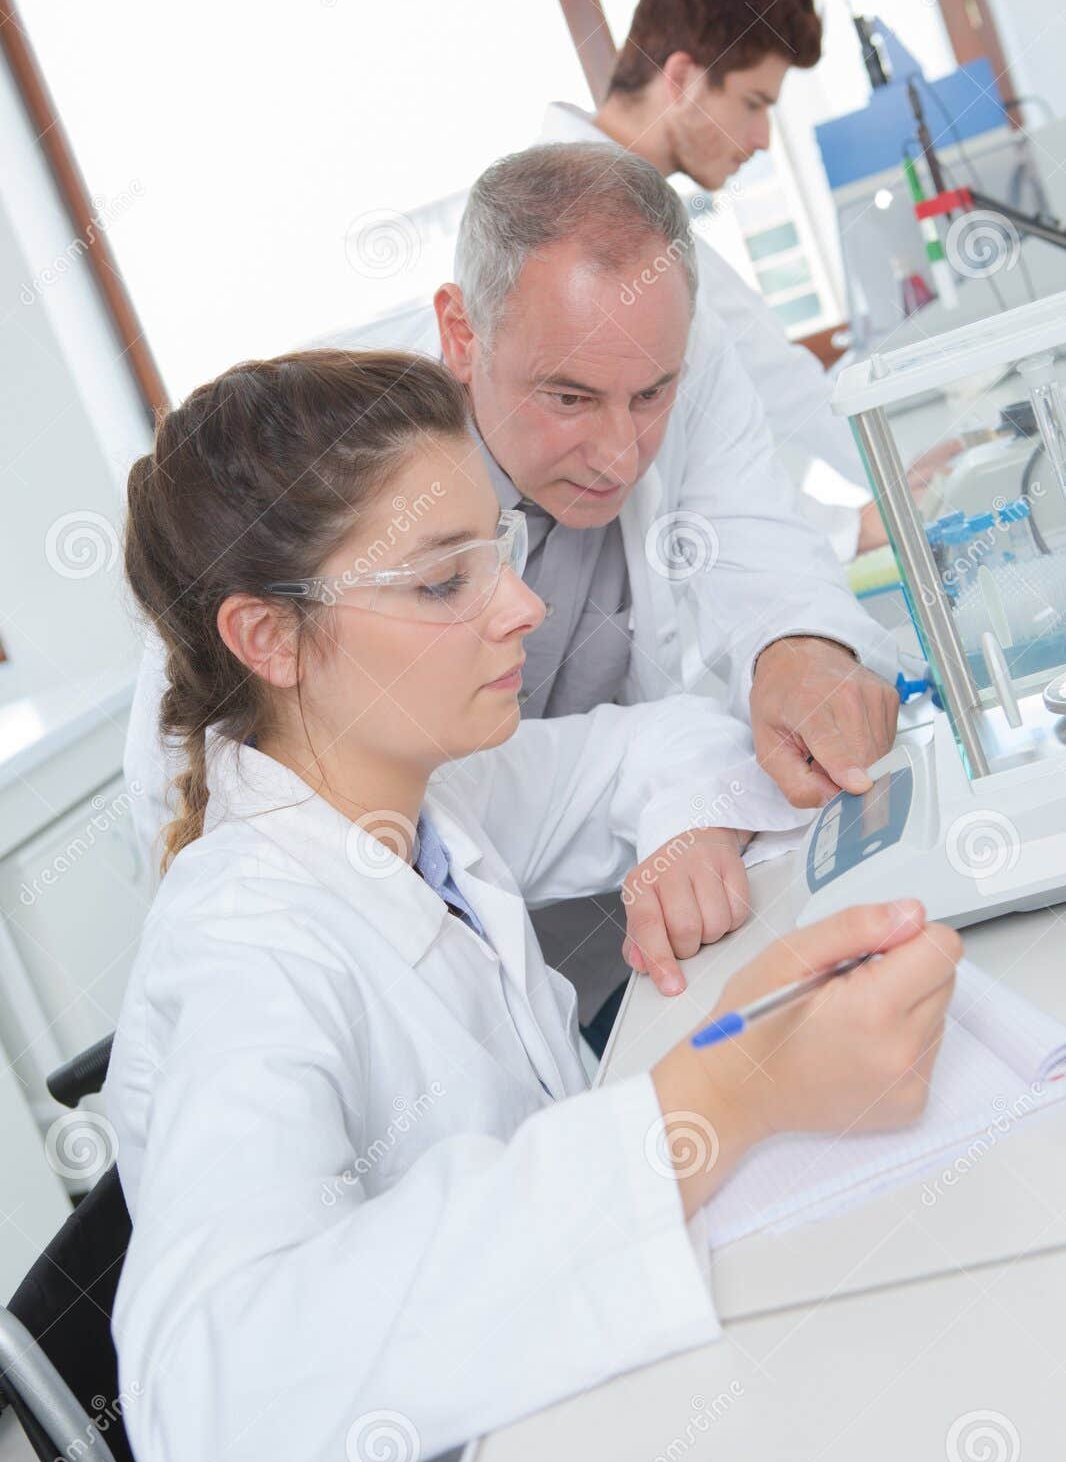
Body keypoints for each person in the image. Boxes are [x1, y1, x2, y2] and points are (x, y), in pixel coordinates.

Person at [106, 347, 960, 1462]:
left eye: (496, 553)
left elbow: (663, 744)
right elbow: (213, 1407)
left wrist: (683, 825)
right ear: (270, 638)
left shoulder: (419, 787)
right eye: (442, 580)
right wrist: (711, 1100)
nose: (523, 606)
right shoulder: (242, 946)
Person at [124, 144, 902, 1042]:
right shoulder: (343, 467)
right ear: (462, 334)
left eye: (653, 395)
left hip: (602, 940)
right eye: (568, 399)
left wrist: (799, 651)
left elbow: (753, 552)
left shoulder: (665, 341)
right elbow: (186, 765)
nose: (621, 454)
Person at [542, 0, 961, 559]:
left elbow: (774, 376)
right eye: (754, 105)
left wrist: (902, 479)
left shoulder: (633, 211)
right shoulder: (586, 225)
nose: (763, 139)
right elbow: (658, 476)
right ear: (682, 80)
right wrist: (851, 528)